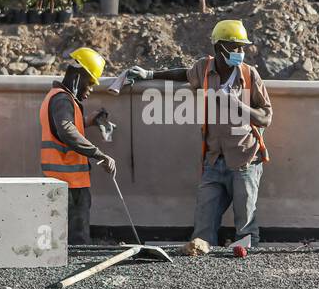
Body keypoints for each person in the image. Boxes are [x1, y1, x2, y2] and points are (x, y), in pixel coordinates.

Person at [120, 20, 272, 248]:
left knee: (245, 227)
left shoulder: (249, 75)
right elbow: (184, 74)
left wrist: (238, 106)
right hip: (213, 161)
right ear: (219, 48)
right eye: (235, 47)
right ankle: (201, 271)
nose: (240, 53)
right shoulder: (205, 69)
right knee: (202, 228)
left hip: (245, 161)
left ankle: (246, 270)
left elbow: (266, 117)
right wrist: (149, 73)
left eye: (242, 47)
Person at [39, 47, 116, 245]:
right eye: (89, 83)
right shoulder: (62, 99)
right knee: (77, 242)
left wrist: (88, 121)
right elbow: (66, 130)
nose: (90, 90)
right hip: (70, 185)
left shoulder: (57, 98)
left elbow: (67, 126)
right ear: (77, 76)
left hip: (61, 181)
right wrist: (99, 154)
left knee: (60, 242)